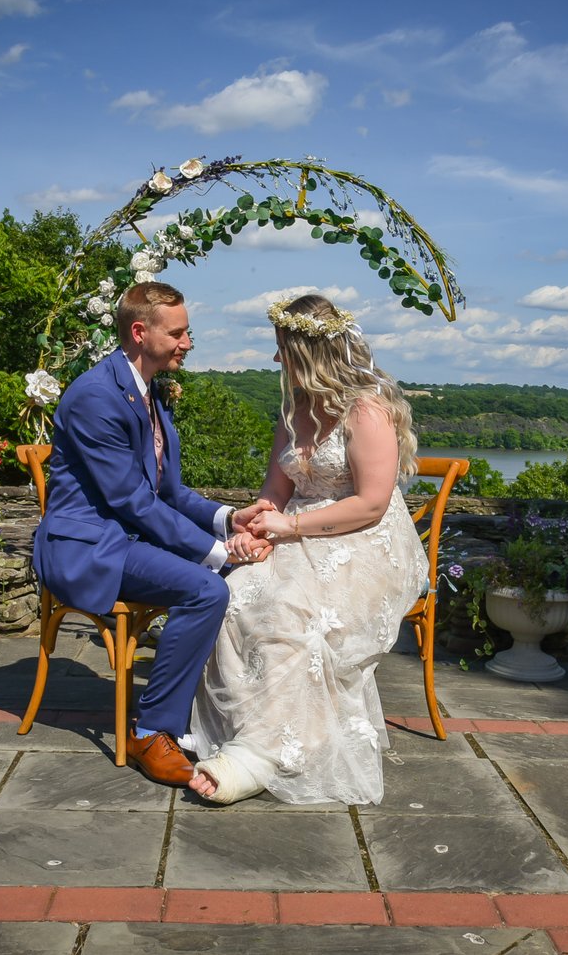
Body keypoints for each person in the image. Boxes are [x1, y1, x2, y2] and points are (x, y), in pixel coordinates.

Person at [183, 294, 429, 805]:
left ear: (311, 354)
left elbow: (370, 503)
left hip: (364, 543)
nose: (276, 361)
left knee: (293, 615)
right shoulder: (295, 409)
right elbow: (276, 489)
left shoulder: (367, 409)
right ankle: (261, 733)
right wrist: (255, 526)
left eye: (283, 350)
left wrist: (288, 527)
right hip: (297, 530)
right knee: (234, 595)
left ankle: (262, 752)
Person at [32, 281, 271, 787]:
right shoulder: (97, 396)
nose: (188, 343)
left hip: (126, 539)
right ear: (141, 332)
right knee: (207, 586)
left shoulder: (150, 394)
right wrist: (214, 552)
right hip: (88, 546)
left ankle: (226, 711)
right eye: (179, 333)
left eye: (189, 333)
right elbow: (129, 501)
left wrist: (231, 519)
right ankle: (151, 731)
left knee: (255, 571)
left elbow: (170, 493)